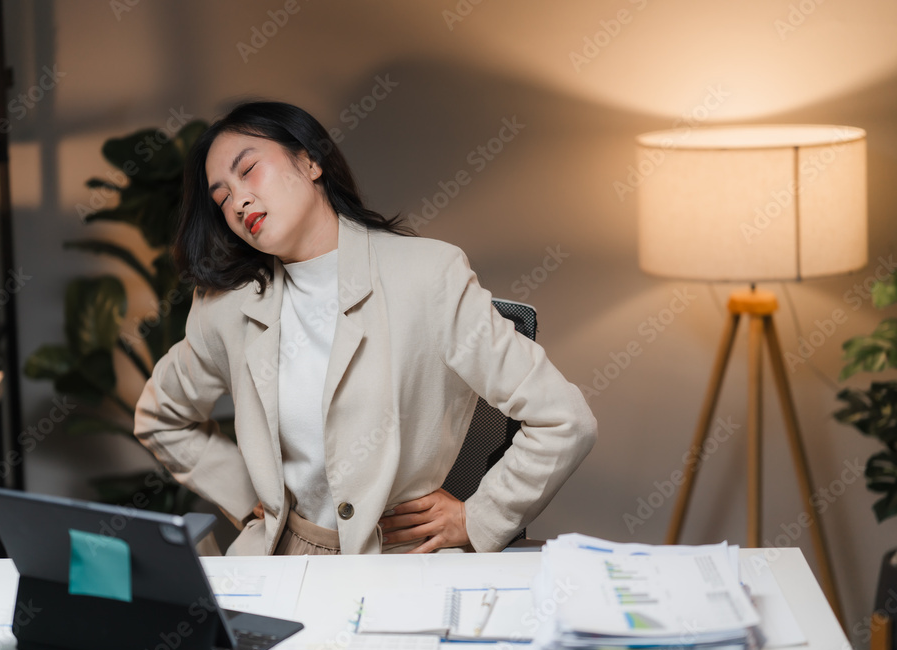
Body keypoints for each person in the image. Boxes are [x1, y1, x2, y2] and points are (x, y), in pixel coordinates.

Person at [133, 100, 596, 556]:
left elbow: (563, 419)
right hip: (280, 556)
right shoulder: (227, 306)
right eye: (222, 198)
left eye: (248, 170)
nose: (239, 202)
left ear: (310, 160)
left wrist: (479, 517)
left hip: (397, 562)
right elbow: (161, 415)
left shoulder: (428, 276)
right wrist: (250, 497)